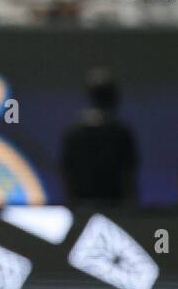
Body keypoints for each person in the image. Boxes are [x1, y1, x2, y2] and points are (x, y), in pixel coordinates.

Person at [60, 67, 139, 206]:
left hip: (83, 210)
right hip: (116, 210)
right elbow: (127, 177)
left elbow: (67, 176)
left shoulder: (74, 133)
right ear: (114, 97)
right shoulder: (120, 132)